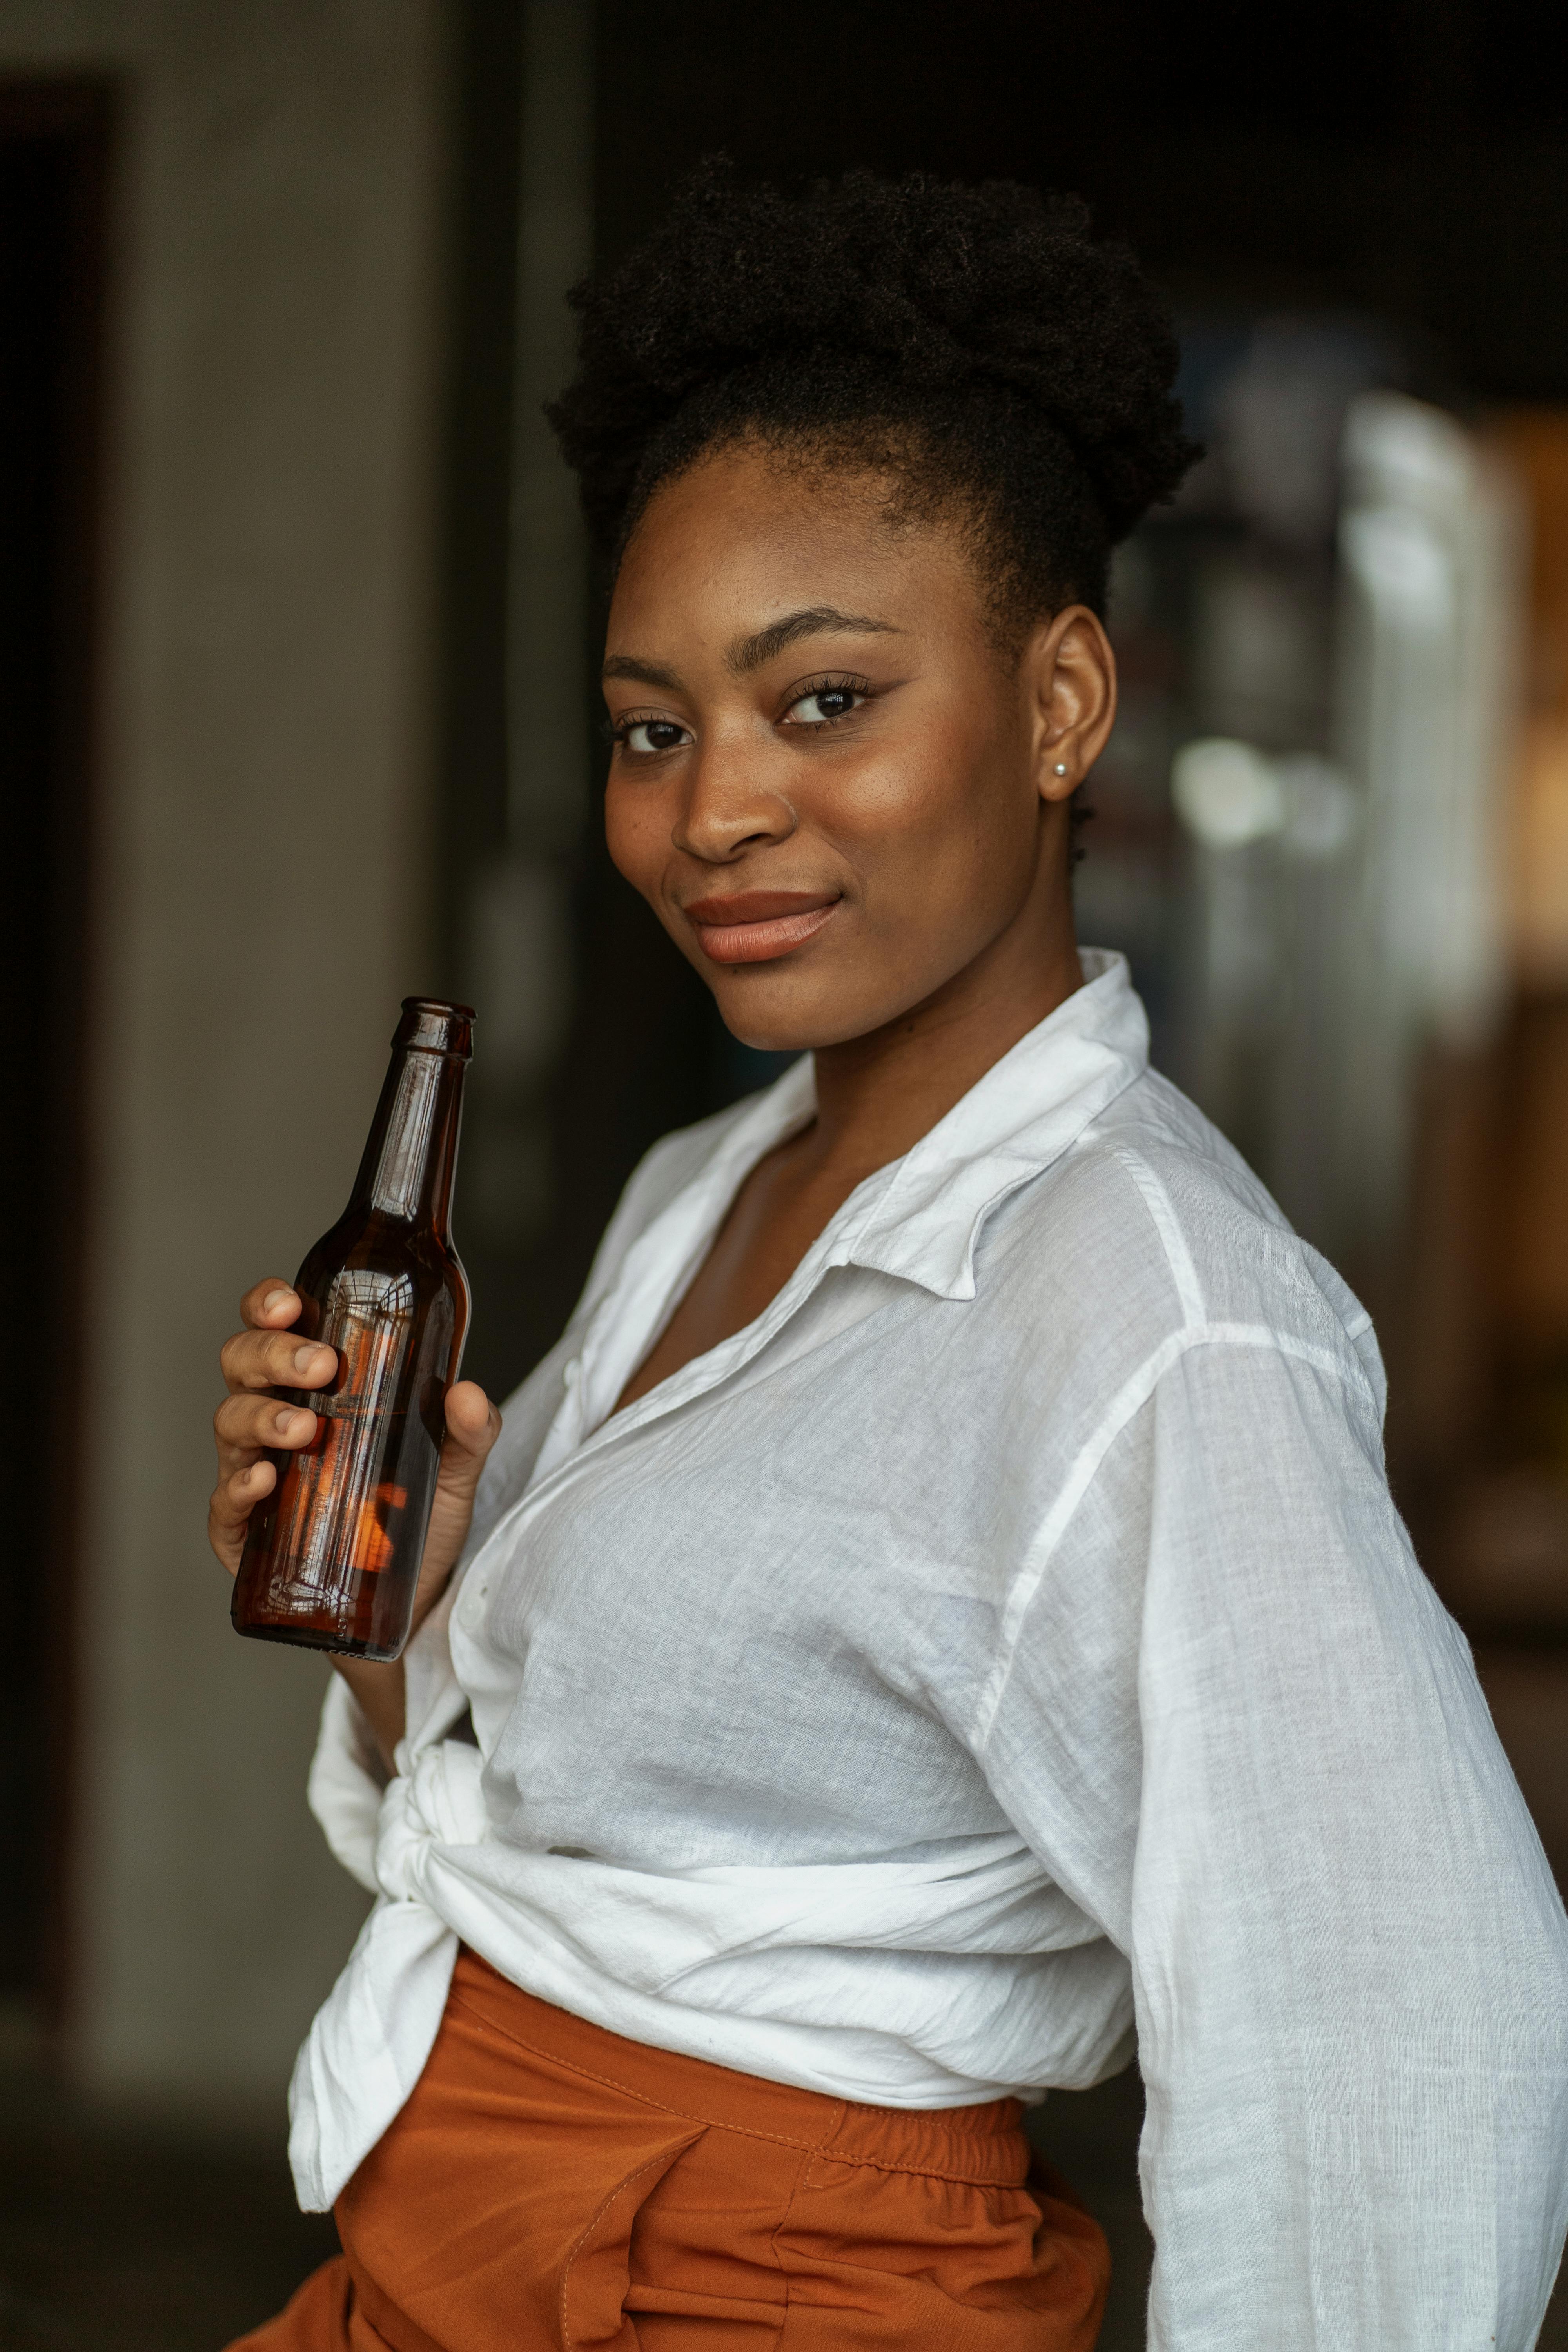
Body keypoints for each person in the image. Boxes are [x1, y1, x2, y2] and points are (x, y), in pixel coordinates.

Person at [210, 166, 1568, 2351]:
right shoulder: (713, 1182)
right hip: (445, 2255)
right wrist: (422, 1596)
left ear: (1059, 704)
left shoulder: (1158, 1316)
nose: (712, 809)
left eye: (821, 701)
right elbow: (604, 1825)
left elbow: (1390, 2056)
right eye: (655, 729)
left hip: (757, 2293)